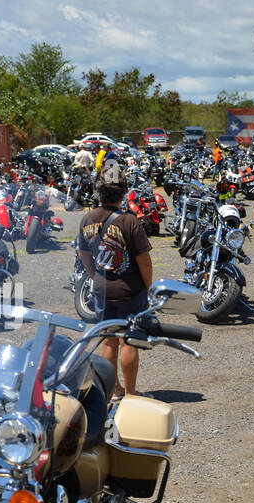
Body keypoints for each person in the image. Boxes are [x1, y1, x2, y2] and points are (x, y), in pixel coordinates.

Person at [77, 161, 153, 399]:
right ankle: (130, 392)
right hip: (130, 290)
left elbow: (84, 255)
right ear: (122, 193)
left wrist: (94, 276)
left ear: (98, 192)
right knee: (129, 341)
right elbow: (144, 262)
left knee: (109, 341)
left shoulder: (87, 220)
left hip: (102, 290)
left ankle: (113, 390)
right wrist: (148, 287)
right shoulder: (129, 221)